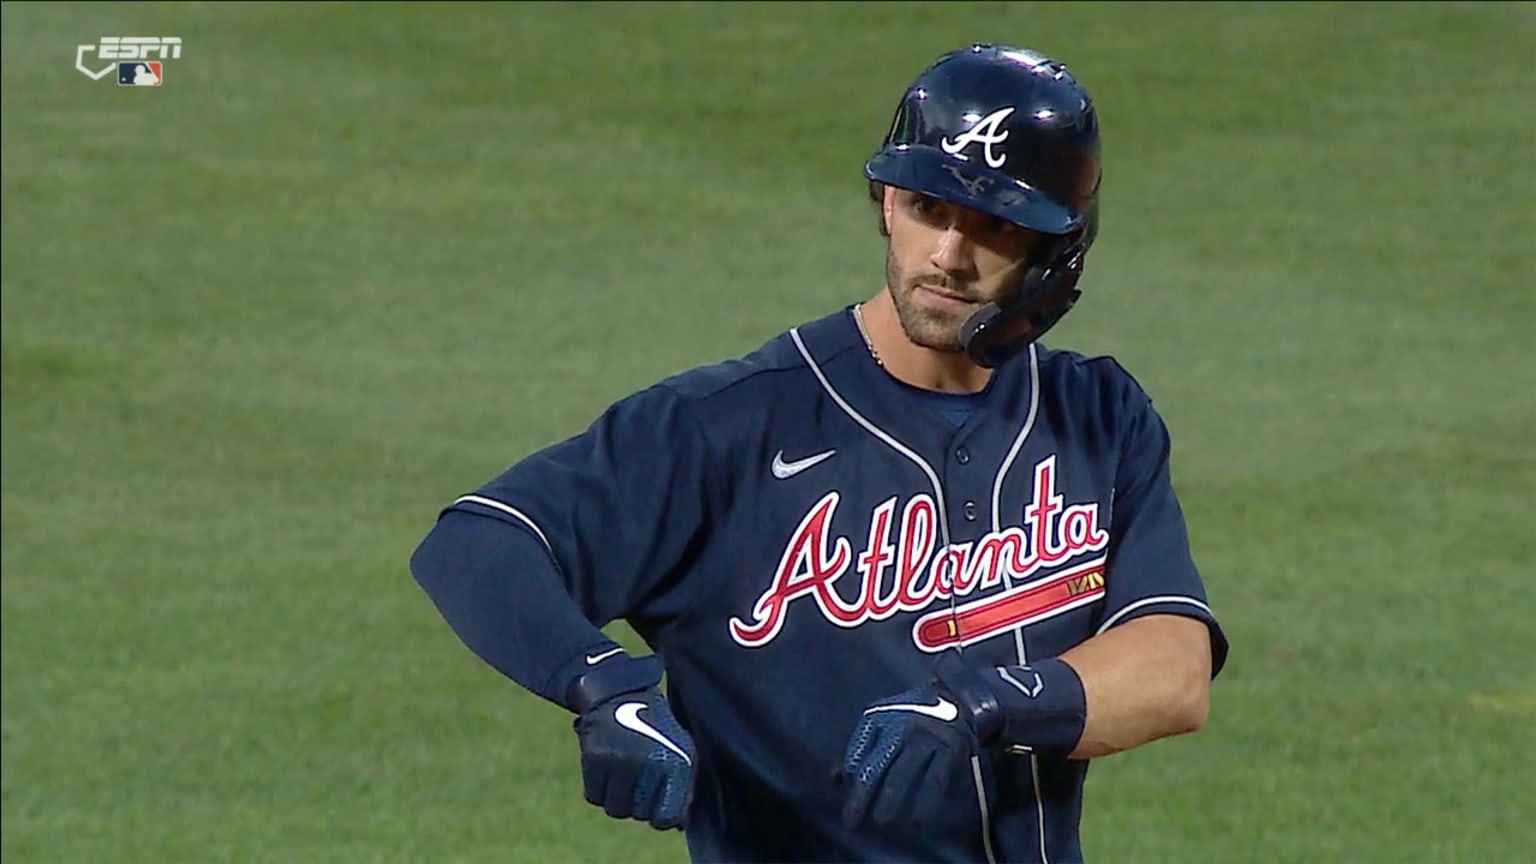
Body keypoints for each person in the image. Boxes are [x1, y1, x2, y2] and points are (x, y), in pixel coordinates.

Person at [410, 42, 1229, 863]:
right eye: (927, 209)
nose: (948, 254)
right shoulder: (731, 426)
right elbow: (480, 540)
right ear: (884, 201)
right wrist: (599, 688)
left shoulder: (1098, 415)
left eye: (993, 226)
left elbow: (1172, 667)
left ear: (1059, 253)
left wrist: (984, 704)